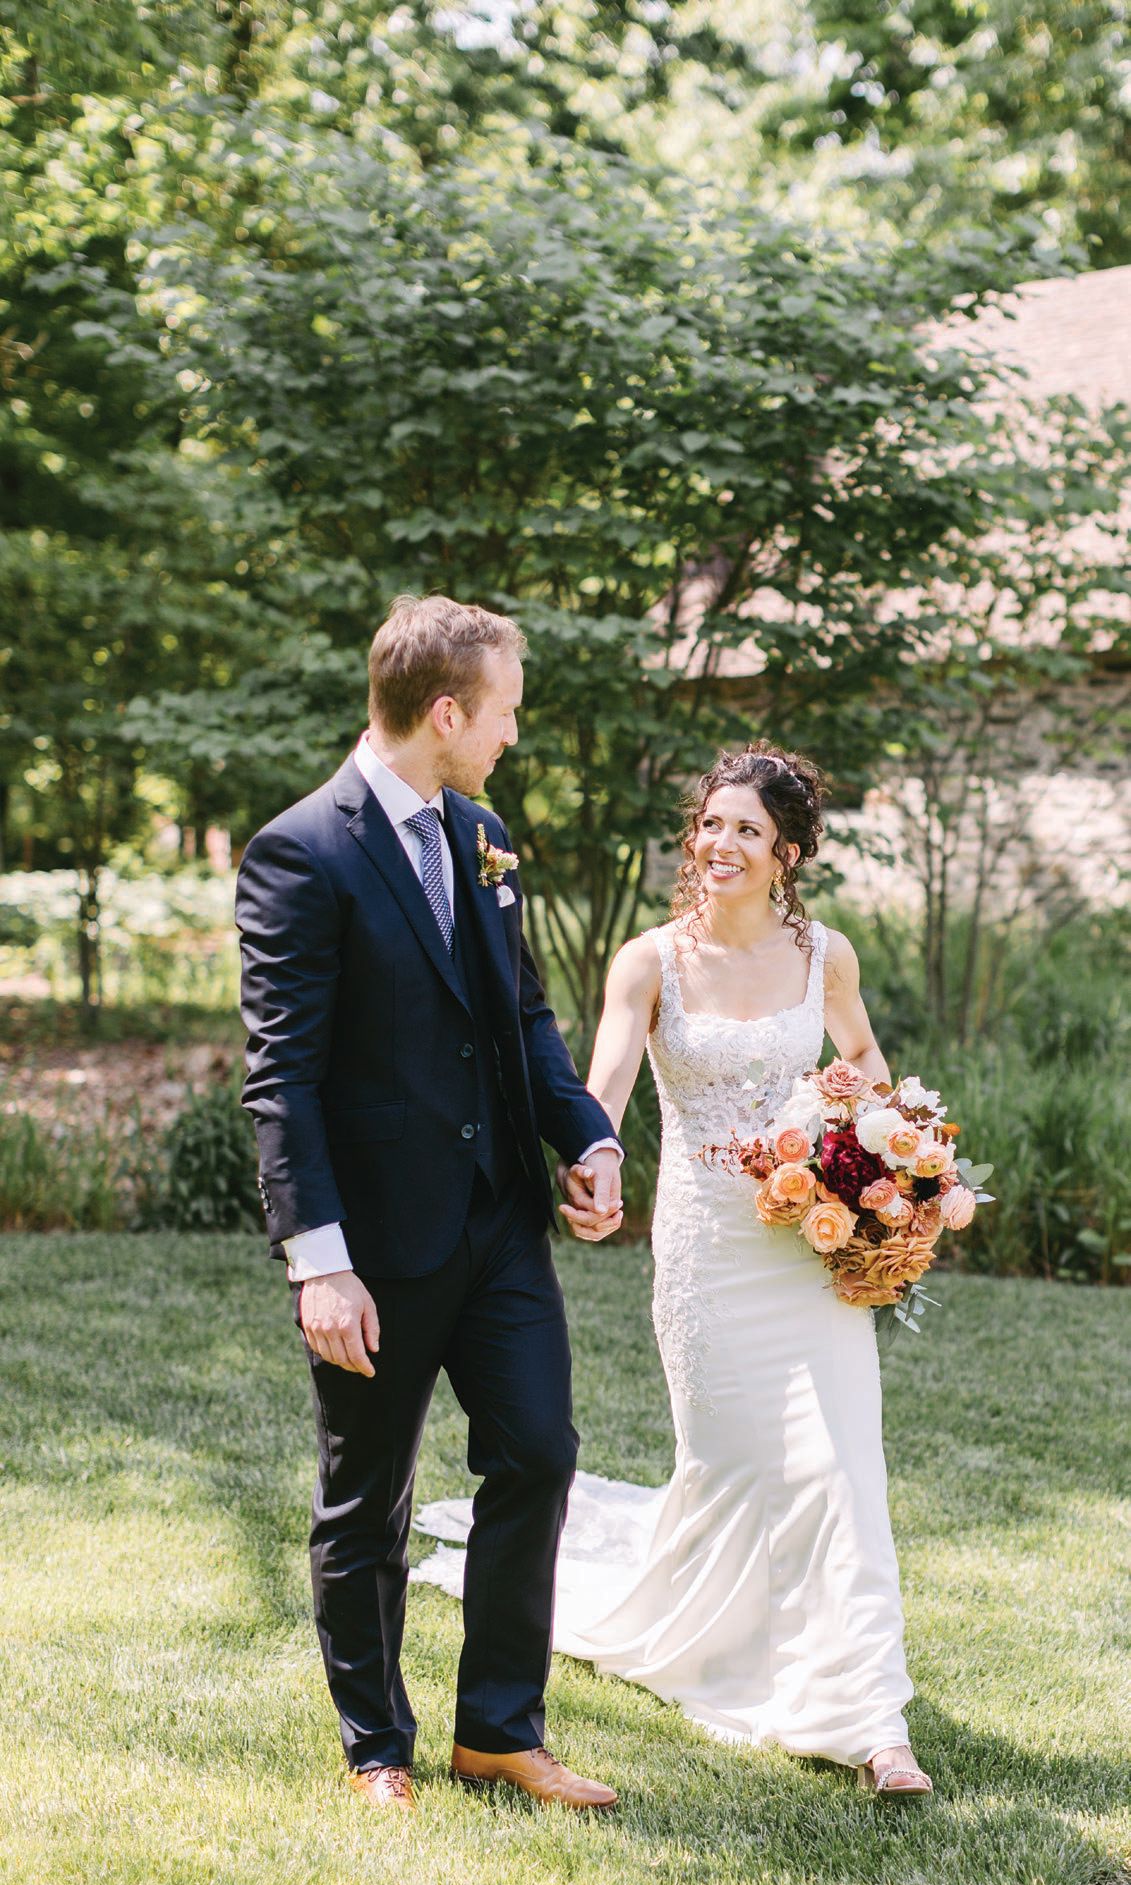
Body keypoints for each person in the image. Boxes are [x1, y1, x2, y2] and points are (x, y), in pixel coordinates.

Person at [415, 742, 933, 1799]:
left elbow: (869, 1070)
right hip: (704, 1249)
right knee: (737, 1466)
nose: (722, 844)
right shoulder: (650, 961)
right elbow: (601, 1092)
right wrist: (594, 1171)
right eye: (711, 824)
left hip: (810, 1251)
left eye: (748, 829)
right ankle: (736, 1637)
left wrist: (889, 1162)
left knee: (843, 1466)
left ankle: (872, 1720)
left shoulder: (824, 955)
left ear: (787, 853)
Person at [235, 594, 625, 1816]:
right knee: (368, 1497)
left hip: (499, 1218)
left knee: (542, 1452)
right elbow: (282, 1077)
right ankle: (376, 1747)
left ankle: (500, 1730)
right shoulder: (301, 852)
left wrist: (589, 1133)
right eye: (503, 711)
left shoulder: (482, 831)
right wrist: (319, 1261)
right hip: (375, 1244)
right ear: (446, 711)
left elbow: (521, 1015)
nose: (512, 733)